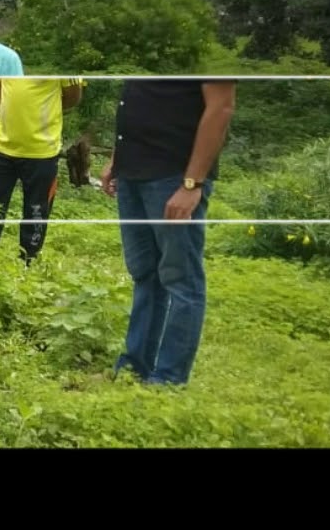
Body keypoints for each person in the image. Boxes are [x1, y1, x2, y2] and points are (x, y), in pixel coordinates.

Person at [101, 79, 237, 386]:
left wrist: (193, 183)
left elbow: (221, 108)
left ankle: (168, 380)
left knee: (181, 281)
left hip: (174, 177)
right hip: (133, 173)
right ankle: (135, 368)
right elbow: (136, 104)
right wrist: (116, 159)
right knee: (146, 276)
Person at [0, 76, 84, 265]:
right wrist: (2, 109)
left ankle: (28, 264)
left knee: (36, 212)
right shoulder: (7, 53)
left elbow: (73, 96)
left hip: (42, 151)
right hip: (0, 146)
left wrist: (43, 112)